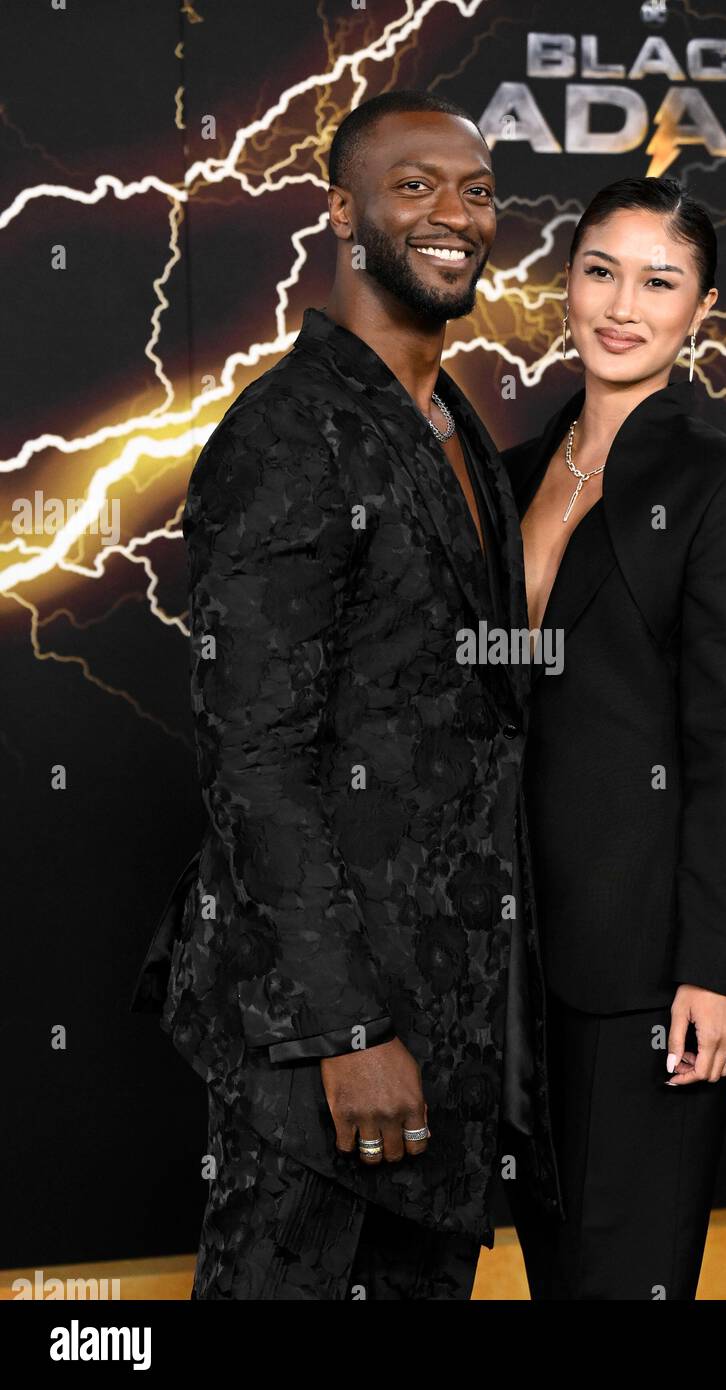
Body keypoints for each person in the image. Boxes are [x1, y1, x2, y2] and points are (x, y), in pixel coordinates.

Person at [129, 89, 563, 1300]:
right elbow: (254, 759)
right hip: (324, 1051)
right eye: (415, 185)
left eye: (476, 190)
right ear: (342, 212)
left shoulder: (450, 424)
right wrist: (346, 1032)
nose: (455, 213)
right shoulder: (291, 436)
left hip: (447, 1040)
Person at [498, 177, 726, 1300]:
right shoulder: (504, 478)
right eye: (600, 270)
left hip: (643, 969)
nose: (621, 305)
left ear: (702, 309)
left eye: (658, 280)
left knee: (619, 1280)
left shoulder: (723, 485)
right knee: (551, 1270)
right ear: (565, 282)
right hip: (508, 958)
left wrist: (709, 969)